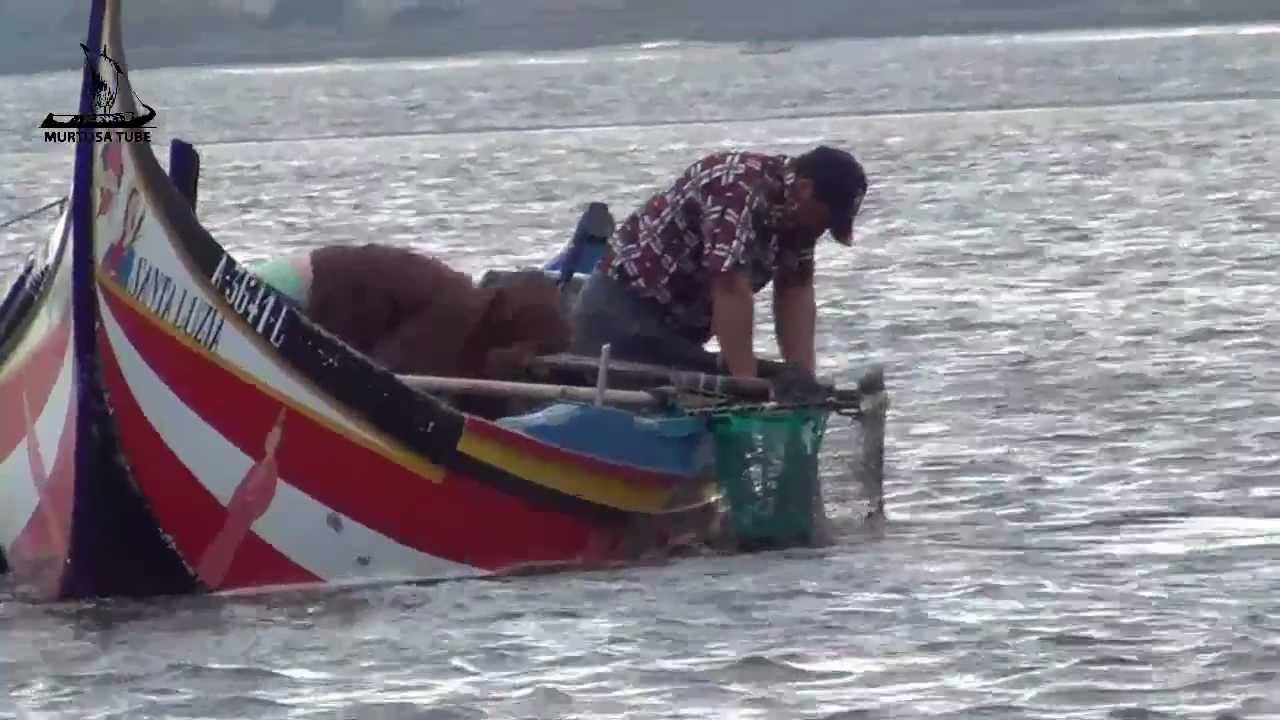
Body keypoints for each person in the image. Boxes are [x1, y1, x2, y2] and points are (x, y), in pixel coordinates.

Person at [570, 145, 868, 381]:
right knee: (731, 385)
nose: (823, 231)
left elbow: (796, 289)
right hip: (618, 316)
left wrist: (803, 375)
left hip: (678, 335)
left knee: (766, 380)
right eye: (826, 221)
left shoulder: (801, 217)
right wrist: (745, 384)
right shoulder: (738, 188)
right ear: (804, 190)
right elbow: (730, 287)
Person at [251, 244, 571, 381]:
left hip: (294, 275)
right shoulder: (456, 315)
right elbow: (383, 377)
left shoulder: (462, 295)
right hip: (295, 291)